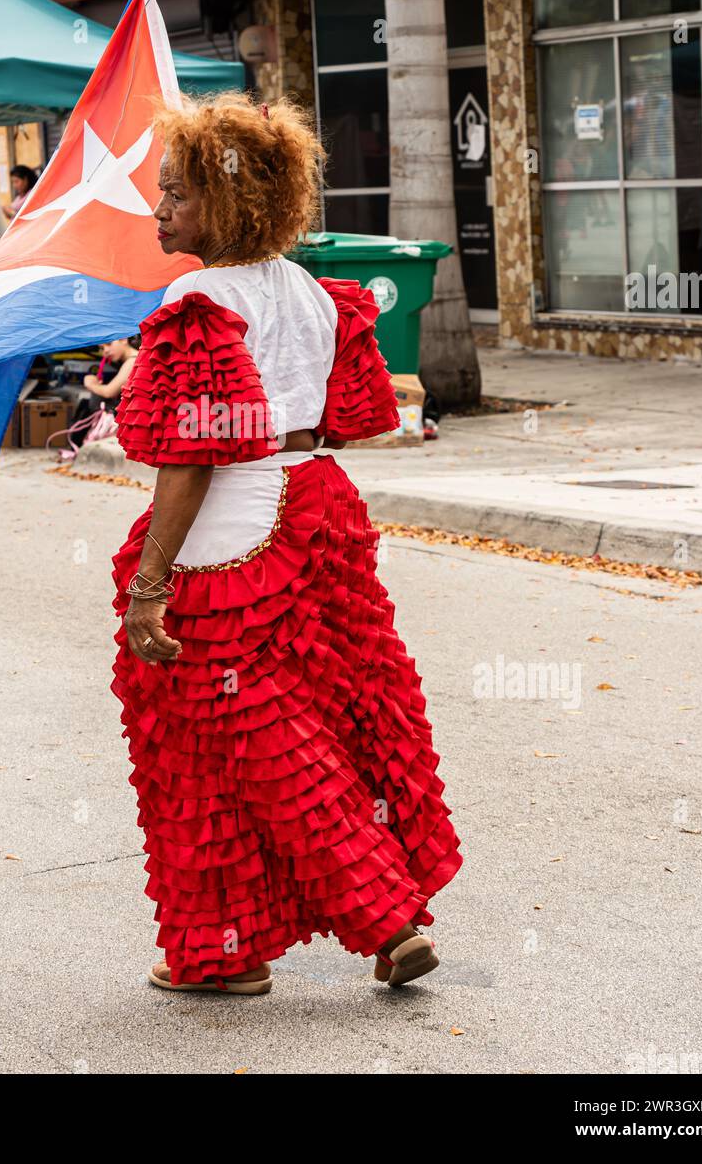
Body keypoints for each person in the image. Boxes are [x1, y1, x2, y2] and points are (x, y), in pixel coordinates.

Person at [110, 93, 463, 995]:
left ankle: (379, 920)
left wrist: (150, 582)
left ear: (223, 208)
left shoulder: (198, 296)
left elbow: (192, 455)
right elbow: (347, 422)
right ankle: (225, 950)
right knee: (330, 720)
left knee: (257, 732)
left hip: (236, 526)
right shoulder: (311, 292)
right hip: (317, 506)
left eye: (177, 196)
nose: (159, 210)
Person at [62, 336, 139, 456]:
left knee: (87, 405)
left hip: (132, 416)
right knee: (86, 403)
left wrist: (91, 384)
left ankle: (77, 448)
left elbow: (109, 392)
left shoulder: (132, 361)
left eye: (108, 344)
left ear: (123, 339)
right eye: (102, 348)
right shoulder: (131, 360)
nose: (105, 351)